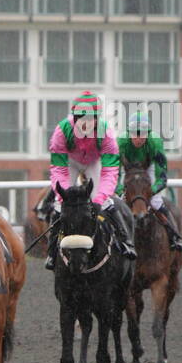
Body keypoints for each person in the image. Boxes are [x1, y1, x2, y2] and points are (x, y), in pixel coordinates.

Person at [45, 91, 137, 270]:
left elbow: (110, 170)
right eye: (81, 118)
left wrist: (100, 198)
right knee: (59, 204)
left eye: (90, 118)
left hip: (94, 162)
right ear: (75, 117)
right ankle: (51, 252)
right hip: (70, 163)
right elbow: (58, 169)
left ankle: (126, 241)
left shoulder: (106, 133)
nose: (85, 123)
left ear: (97, 119)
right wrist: (65, 195)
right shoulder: (62, 130)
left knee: (107, 202)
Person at [117, 111, 182, 251]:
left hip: (148, 167)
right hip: (127, 168)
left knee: (156, 202)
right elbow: (113, 173)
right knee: (118, 202)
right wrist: (120, 190)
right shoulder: (120, 142)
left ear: (148, 134)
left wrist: (151, 191)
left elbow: (162, 177)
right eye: (135, 134)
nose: (139, 138)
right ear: (129, 133)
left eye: (142, 134)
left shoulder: (155, 142)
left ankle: (174, 236)